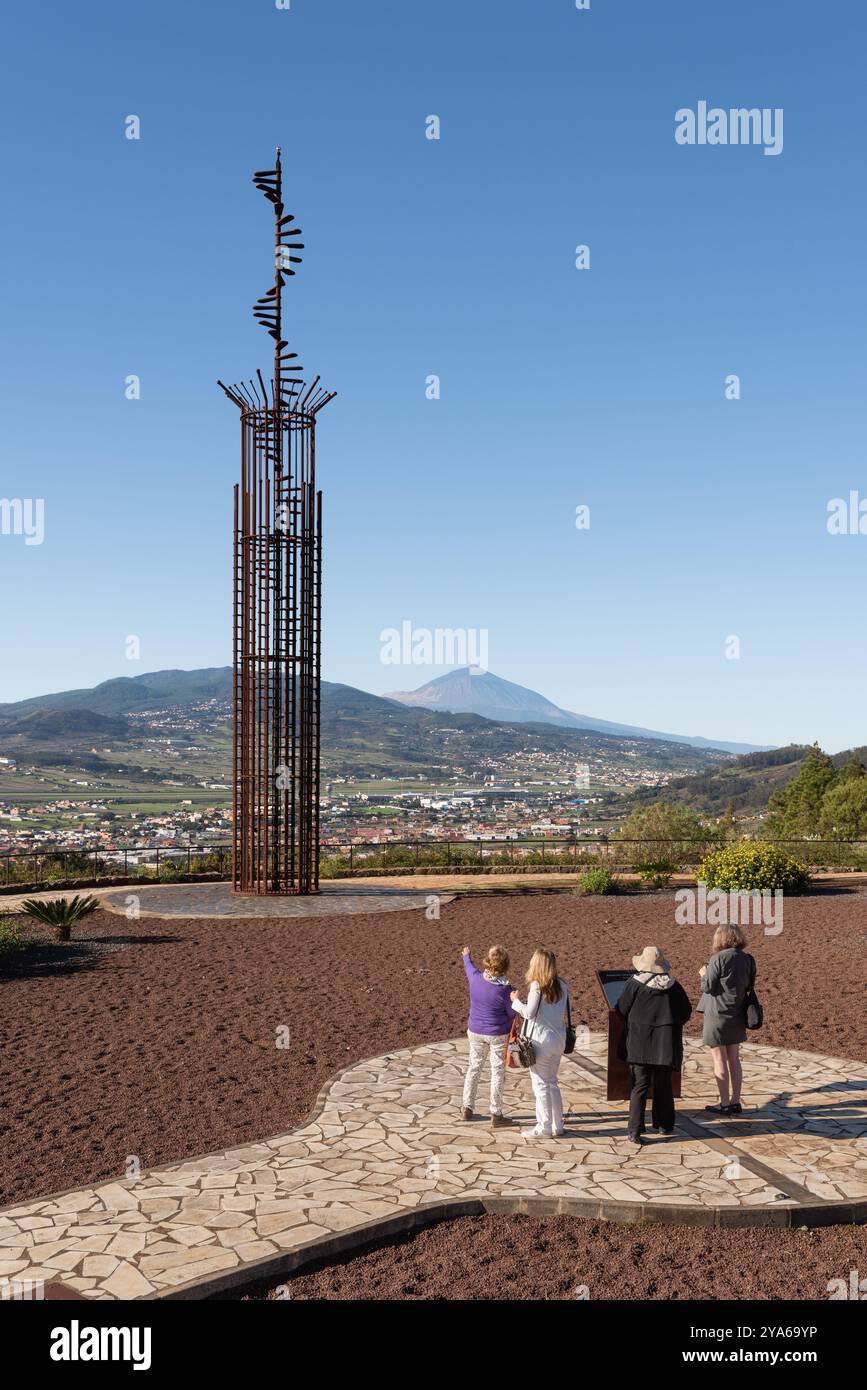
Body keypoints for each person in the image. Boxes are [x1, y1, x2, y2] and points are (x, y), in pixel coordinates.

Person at [616, 946, 692, 1145]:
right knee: (664, 1084)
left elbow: (621, 1009)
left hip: (640, 1043)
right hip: (666, 1043)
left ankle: (635, 1130)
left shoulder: (634, 984)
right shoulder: (674, 986)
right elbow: (686, 1012)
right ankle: (664, 1124)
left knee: (639, 1086)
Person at [510, 947, 570, 1139]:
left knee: (541, 1085)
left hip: (540, 1042)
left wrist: (516, 1001)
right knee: (552, 1082)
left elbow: (529, 1013)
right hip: (559, 1039)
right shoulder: (563, 985)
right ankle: (557, 1125)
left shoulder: (537, 986)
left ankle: (543, 1127)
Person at [698, 923, 756, 1115]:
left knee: (719, 1059)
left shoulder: (718, 958)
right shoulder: (747, 959)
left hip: (717, 1014)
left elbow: (708, 987)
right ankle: (735, 1101)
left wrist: (703, 974)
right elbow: (748, 985)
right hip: (737, 1013)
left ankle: (724, 1103)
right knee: (734, 1059)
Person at [460, 945, 517, 1128]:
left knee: (474, 1067)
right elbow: (512, 1014)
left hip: (475, 1031)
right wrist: (515, 999)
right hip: (498, 1034)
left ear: (488, 961)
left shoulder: (475, 979)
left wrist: (467, 956)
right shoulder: (506, 990)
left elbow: (469, 966)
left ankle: (467, 1107)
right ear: (505, 965)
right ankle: (496, 1113)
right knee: (497, 1071)